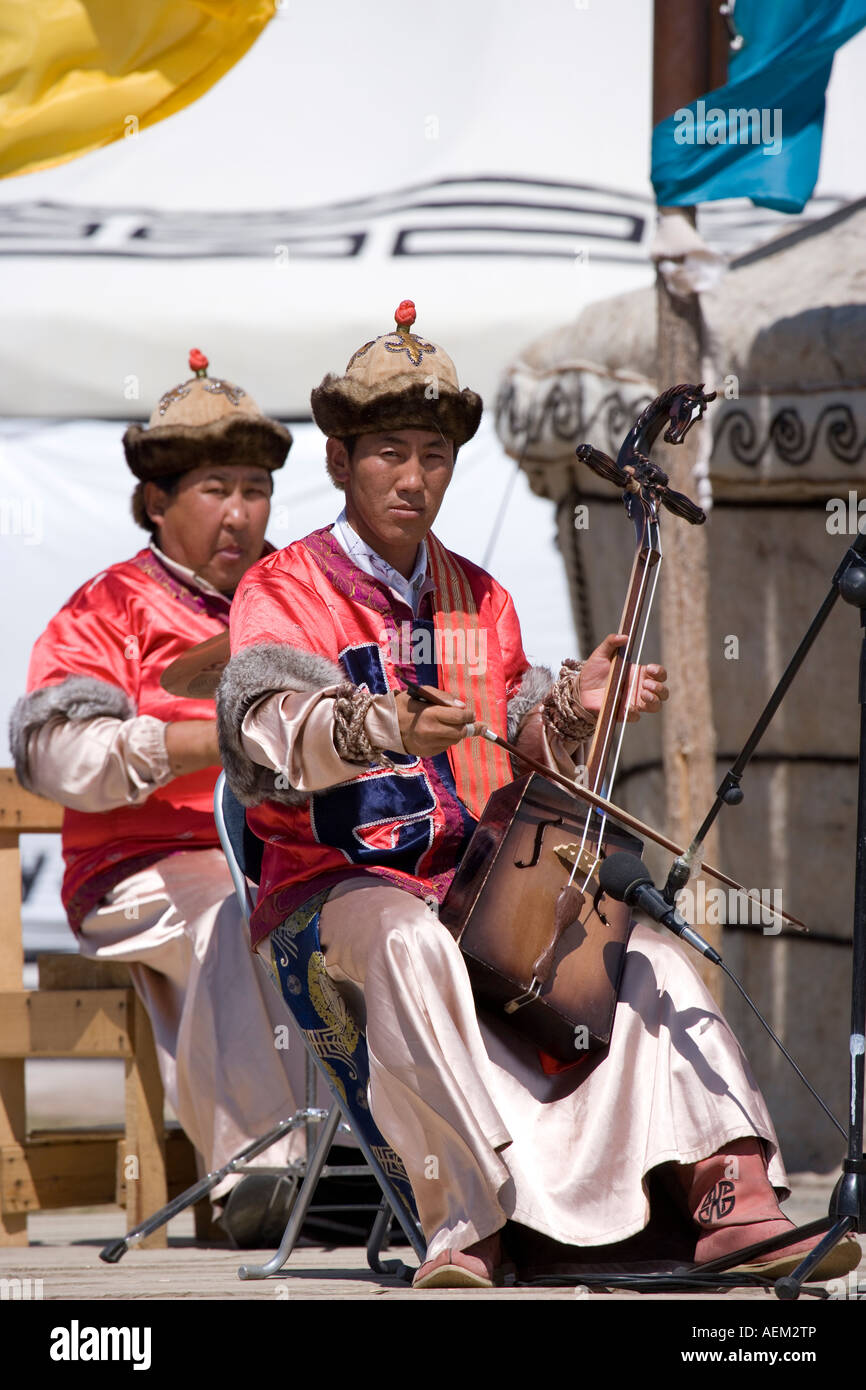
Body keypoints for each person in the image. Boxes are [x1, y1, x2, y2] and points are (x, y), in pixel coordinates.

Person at [216, 303, 861, 1287]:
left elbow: (514, 746)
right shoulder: (283, 590)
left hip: (475, 892)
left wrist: (566, 708)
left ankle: (726, 1192)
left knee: (642, 953)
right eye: (388, 452)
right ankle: (464, 1217)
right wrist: (379, 725)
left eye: (433, 454)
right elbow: (264, 731)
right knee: (403, 938)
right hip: (329, 899)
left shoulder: (482, 597)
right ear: (340, 461)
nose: (412, 476)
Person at [10, 350, 312, 1244]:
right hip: (136, 871)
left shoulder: (291, 598)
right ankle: (262, 1174)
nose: (241, 512)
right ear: (156, 502)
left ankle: (405, 1163)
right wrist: (204, 742)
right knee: (232, 911)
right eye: (215, 488)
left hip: (285, 853)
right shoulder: (107, 607)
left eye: (255, 489)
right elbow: (54, 753)